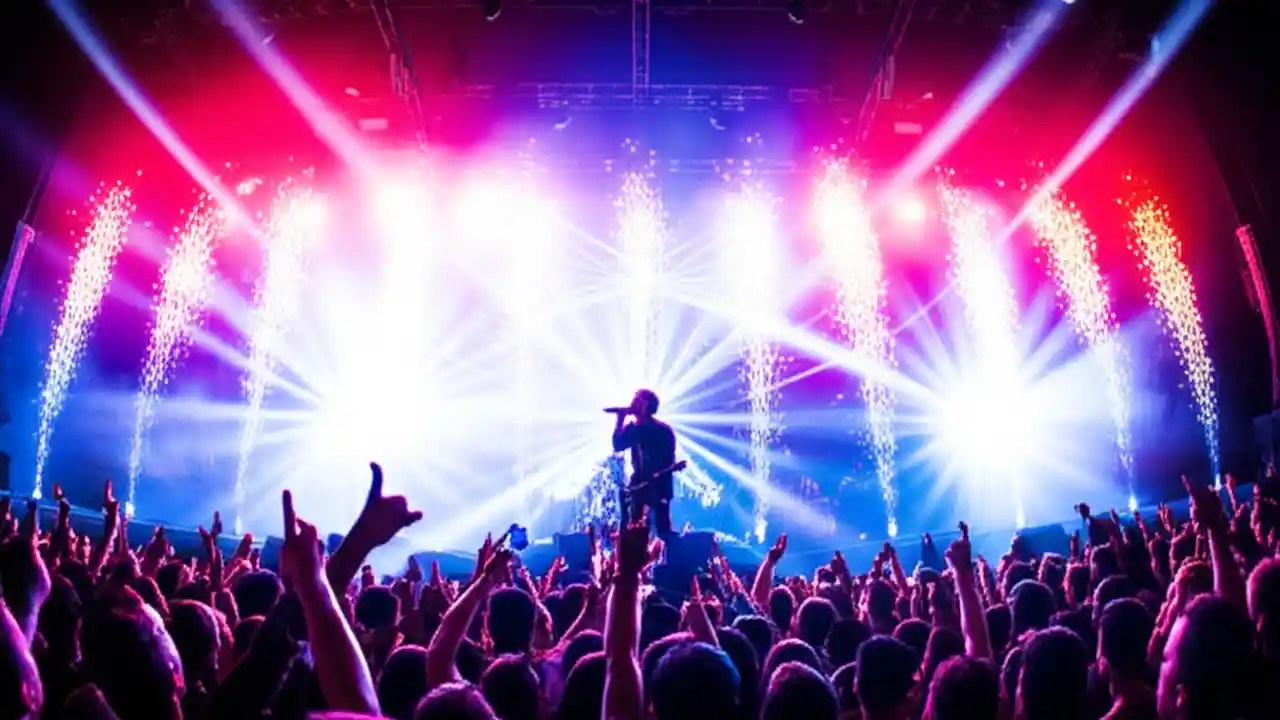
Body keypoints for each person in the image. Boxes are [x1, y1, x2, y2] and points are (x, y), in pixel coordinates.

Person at [610, 389, 678, 539]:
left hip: (658, 485)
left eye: (636, 400)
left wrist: (657, 477)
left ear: (645, 405)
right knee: (633, 528)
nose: (632, 403)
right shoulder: (635, 428)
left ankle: (666, 554)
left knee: (662, 529)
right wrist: (620, 420)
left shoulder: (660, 430)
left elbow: (668, 459)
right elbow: (618, 445)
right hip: (639, 485)